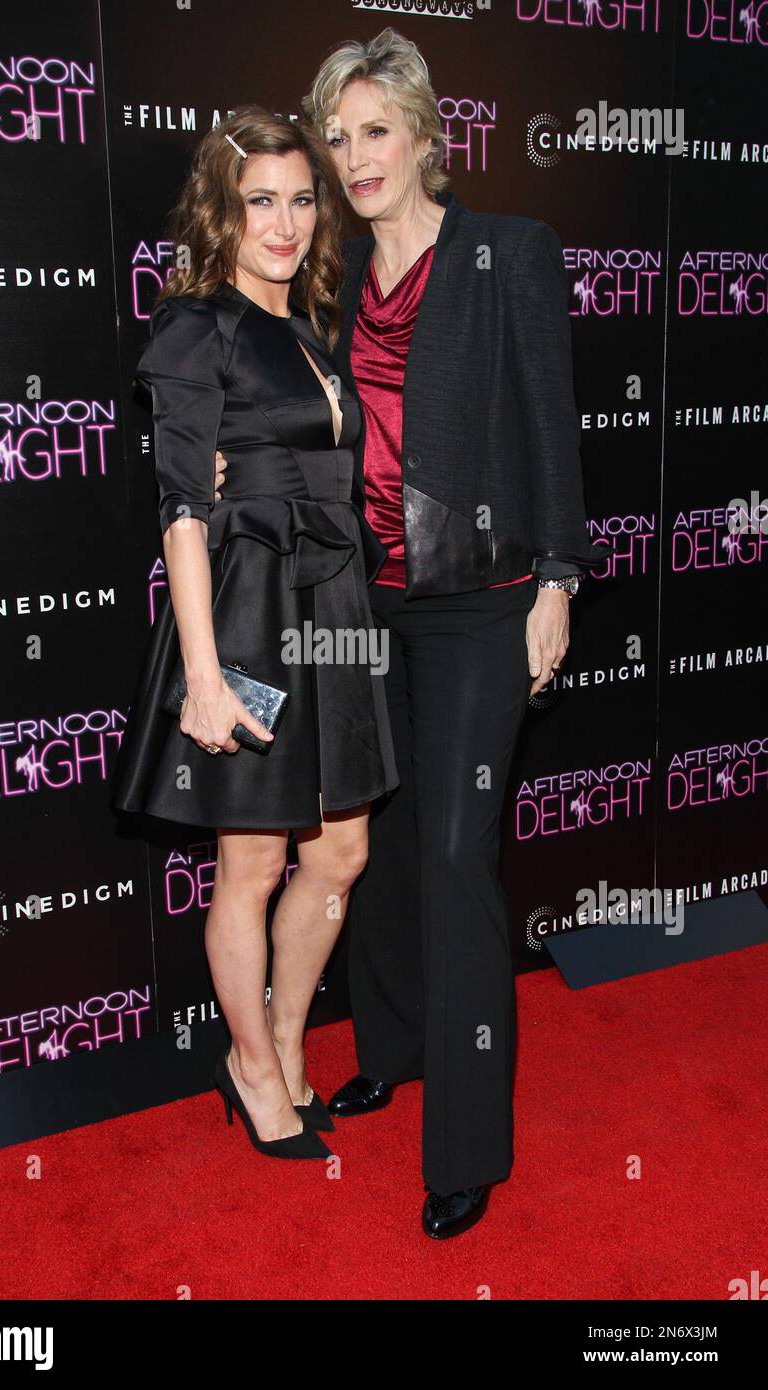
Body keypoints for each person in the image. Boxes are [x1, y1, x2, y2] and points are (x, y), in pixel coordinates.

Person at [297, 28, 608, 1235]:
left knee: (452, 858)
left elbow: (551, 424)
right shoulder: (329, 276)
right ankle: (396, 1044)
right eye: (338, 135)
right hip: (362, 603)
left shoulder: (506, 255)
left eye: (375, 129)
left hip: (480, 603)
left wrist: (559, 579)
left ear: (427, 135)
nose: (355, 154)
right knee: (373, 835)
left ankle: (467, 1141)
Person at [110, 107, 399, 1161]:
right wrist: (203, 675)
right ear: (221, 212)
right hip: (247, 614)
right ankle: (251, 1063)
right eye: (257, 201)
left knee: (343, 851)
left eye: (297, 197)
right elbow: (181, 509)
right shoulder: (197, 329)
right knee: (253, 862)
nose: (281, 222)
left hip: (334, 607)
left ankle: (280, 1034)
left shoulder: (312, 326)